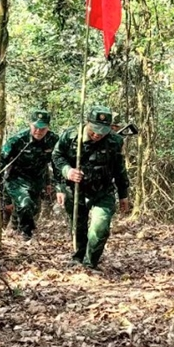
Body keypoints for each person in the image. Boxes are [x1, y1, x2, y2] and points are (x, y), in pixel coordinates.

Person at [52, 105, 130, 269]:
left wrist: (123, 194)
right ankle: (78, 258)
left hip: (103, 191)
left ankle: (90, 264)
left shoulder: (115, 141)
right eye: (94, 129)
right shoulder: (71, 136)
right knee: (78, 226)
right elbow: (57, 156)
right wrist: (67, 172)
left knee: (100, 228)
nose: (97, 134)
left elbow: (119, 169)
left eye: (102, 131)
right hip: (75, 191)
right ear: (87, 123)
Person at [0, 108, 59, 239]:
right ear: (30, 125)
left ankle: (15, 228)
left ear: (48, 127)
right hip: (17, 179)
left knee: (33, 210)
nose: (38, 131)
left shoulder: (53, 140)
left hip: (37, 180)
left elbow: (58, 162)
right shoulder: (17, 140)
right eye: (35, 127)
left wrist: (54, 183)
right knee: (25, 204)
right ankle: (26, 235)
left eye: (43, 128)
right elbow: (0, 161)